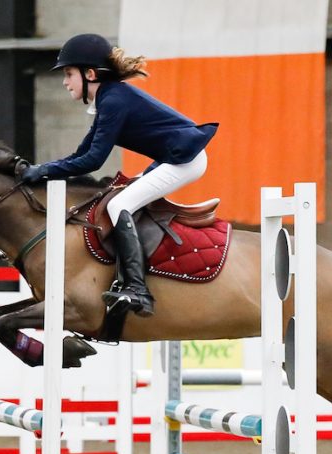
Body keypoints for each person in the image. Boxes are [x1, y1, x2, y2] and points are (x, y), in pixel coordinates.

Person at [20, 34, 218, 318]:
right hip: (172, 158)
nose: (65, 82)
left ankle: (138, 289)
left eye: (69, 74)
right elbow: (81, 154)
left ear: (90, 74)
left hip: (185, 160)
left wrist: (44, 171)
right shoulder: (109, 99)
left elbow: (92, 161)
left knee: (118, 205)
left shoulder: (113, 101)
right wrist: (42, 169)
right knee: (120, 196)